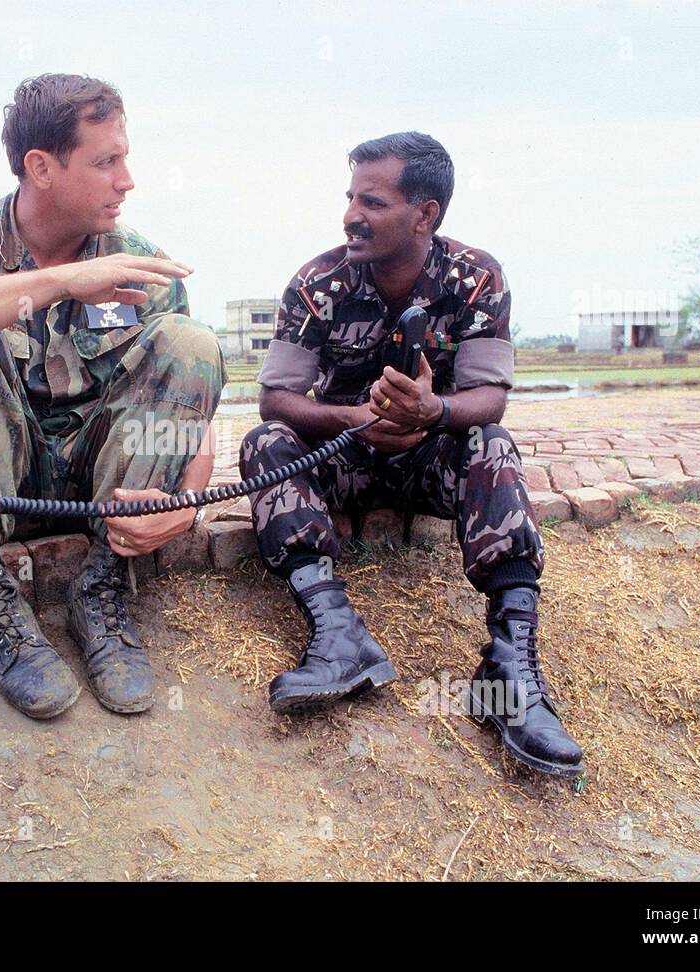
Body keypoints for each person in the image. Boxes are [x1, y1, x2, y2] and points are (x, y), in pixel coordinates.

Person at [0, 74, 225, 719]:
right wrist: (63, 281)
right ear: (42, 167)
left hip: (100, 483)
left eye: (125, 157)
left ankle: (105, 587)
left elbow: (187, 405)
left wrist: (187, 501)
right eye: (105, 161)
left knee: (192, 341)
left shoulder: (137, 262)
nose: (127, 180)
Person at [239, 131, 583, 777]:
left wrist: (435, 412)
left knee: (493, 443)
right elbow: (275, 400)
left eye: (371, 201)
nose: (350, 215)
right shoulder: (317, 283)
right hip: (345, 459)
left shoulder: (476, 277)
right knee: (265, 445)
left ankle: (510, 669)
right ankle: (338, 636)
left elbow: (490, 399)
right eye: (349, 197)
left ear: (424, 214)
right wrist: (352, 420)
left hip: (430, 460)